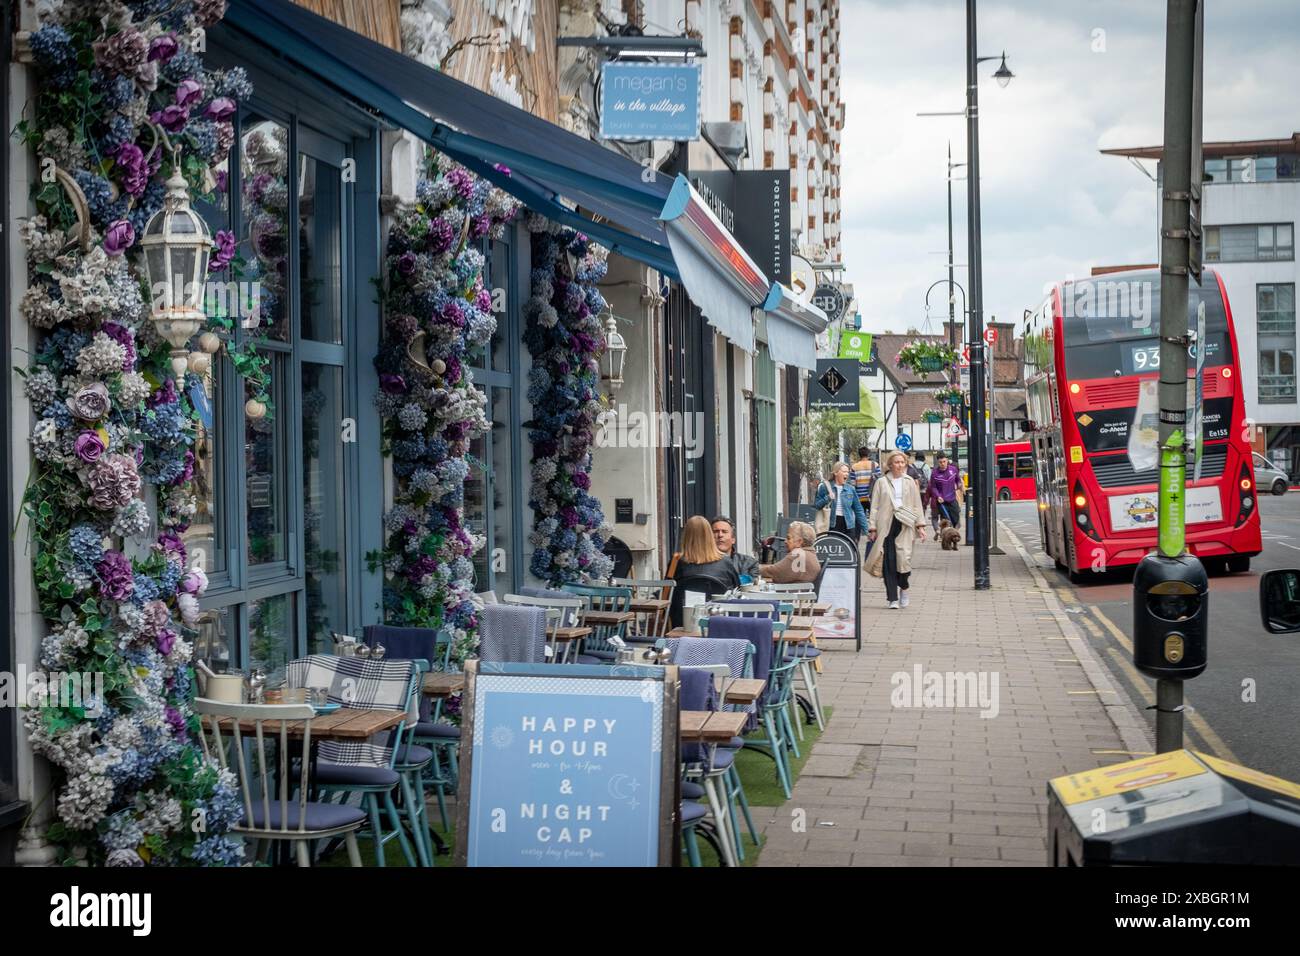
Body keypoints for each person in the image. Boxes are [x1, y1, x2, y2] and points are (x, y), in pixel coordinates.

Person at [865, 450, 927, 609]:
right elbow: (875, 507)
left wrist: (920, 526)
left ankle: (904, 588)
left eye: (902, 462)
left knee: (904, 561)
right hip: (885, 525)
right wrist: (872, 527)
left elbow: (916, 505)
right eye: (896, 462)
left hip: (905, 525)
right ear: (890, 464)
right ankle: (892, 598)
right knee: (889, 563)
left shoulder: (910, 482)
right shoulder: (881, 482)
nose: (899, 465)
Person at [669, 515, 742, 627]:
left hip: (683, 623)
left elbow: (667, 595)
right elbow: (737, 590)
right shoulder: (726, 562)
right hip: (719, 622)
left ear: (685, 537)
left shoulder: (676, 563)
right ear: (710, 536)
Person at [814, 460, 869, 542]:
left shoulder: (850, 489)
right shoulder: (824, 487)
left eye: (847, 472)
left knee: (849, 550)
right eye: (844, 471)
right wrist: (828, 498)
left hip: (848, 525)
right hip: (832, 525)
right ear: (835, 473)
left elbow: (859, 510)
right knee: (835, 552)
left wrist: (866, 530)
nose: (846, 474)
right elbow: (817, 506)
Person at [711, 515, 761, 582]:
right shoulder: (700, 562)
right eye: (715, 532)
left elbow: (750, 587)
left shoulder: (749, 563)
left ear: (733, 539)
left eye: (724, 531)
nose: (720, 535)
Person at [928, 453, 964, 532]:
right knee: (946, 522)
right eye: (940, 462)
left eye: (944, 461)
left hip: (952, 499)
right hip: (942, 501)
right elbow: (933, 487)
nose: (942, 464)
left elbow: (958, 480)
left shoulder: (953, 469)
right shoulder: (934, 473)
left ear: (947, 461)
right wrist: (938, 496)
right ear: (938, 462)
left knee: (956, 520)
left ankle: (953, 533)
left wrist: (959, 484)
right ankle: (947, 537)